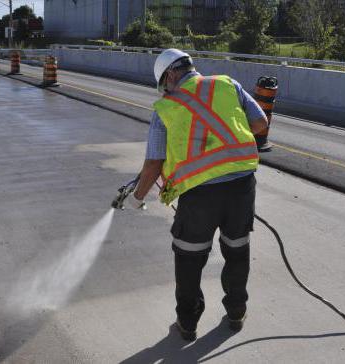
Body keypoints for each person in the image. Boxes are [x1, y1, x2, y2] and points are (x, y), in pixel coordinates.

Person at [127, 49, 269, 341]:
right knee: (237, 249)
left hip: (199, 195)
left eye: (163, 84)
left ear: (169, 75)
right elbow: (259, 125)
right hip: (242, 186)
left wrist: (136, 198)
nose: (165, 89)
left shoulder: (165, 108)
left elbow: (154, 163)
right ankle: (236, 313)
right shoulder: (228, 84)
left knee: (190, 258)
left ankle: (188, 324)